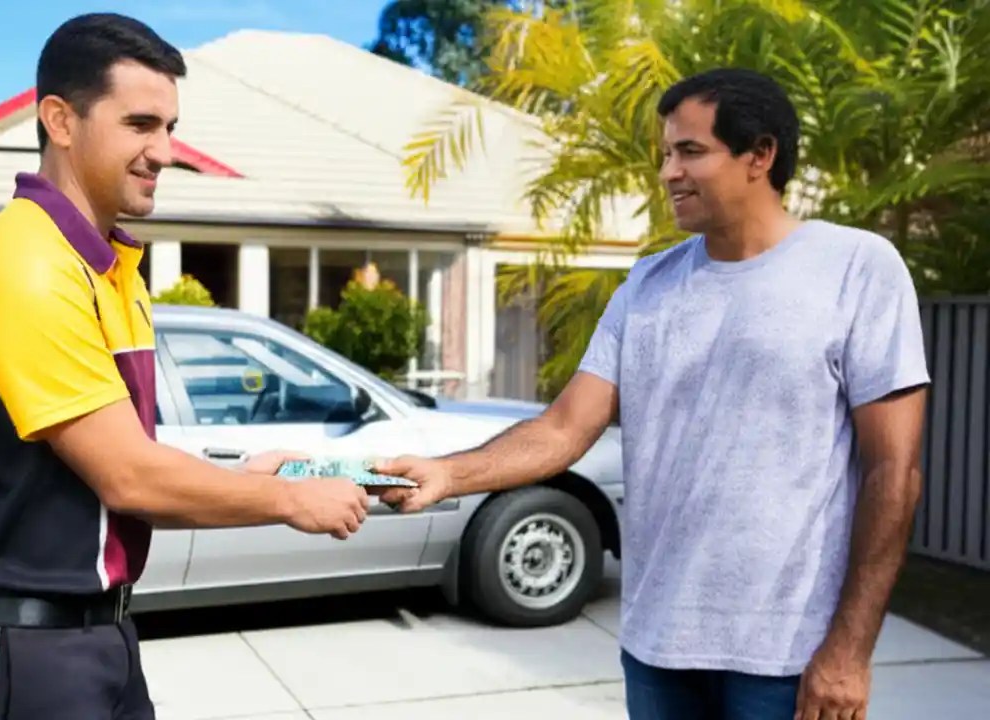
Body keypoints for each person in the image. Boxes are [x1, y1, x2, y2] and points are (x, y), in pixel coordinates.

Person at [375, 67, 930, 720]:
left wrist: (849, 649)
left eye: (690, 151)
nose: (669, 172)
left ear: (760, 155)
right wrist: (447, 474)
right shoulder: (647, 286)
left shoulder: (857, 269)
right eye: (667, 154)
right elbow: (562, 429)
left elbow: (893, 472)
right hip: (657, 647)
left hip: (790, 657)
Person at [0, 13, 371, 720]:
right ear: (60, 120)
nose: (164, 151)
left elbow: (114, 459)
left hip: (95, 636)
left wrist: (241, 482)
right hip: (14, 648)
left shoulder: (110, 266)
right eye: (140, 124)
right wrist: (289, 501)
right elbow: (125, 474)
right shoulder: (26, 259)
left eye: (170, 128)